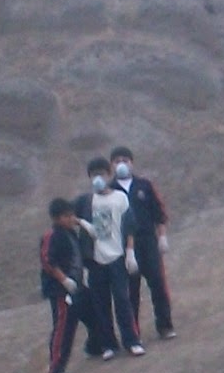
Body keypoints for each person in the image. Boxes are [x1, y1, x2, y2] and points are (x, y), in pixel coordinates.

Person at [73, 156, 143, 360]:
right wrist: (82, 225)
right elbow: (68, 217)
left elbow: (130, 225)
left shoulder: (120, 198)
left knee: (123, 301)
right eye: (94, 175)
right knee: (101, 304)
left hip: (117, 258)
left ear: (108, 174)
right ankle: (108, 345)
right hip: (95, 261)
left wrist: (130, 253)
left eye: (101, 174)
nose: (98, 178)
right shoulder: (85, 201)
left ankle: (132, 341)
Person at [110, 145, 177, 340]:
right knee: (130, 291)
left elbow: (159, 213)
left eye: (125, 160)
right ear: (112, 165)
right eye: (117, 161)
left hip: (148, 242)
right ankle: (133, 333)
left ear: (132, 163)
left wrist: (162, 236)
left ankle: (165, 326)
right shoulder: (109, 191)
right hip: (123, 247)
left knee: (157, 283)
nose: (121, 164)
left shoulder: (144, 186)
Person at [40, 197, 88, 373]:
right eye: (67, 216)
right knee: (62, 327)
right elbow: (48, 262)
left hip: (75, 287)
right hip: (60, 291)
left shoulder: (71, 233)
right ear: (57, 218)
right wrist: (64, 280)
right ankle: (55, 370)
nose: (71, 219)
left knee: (72, 324)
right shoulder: (52, 236)